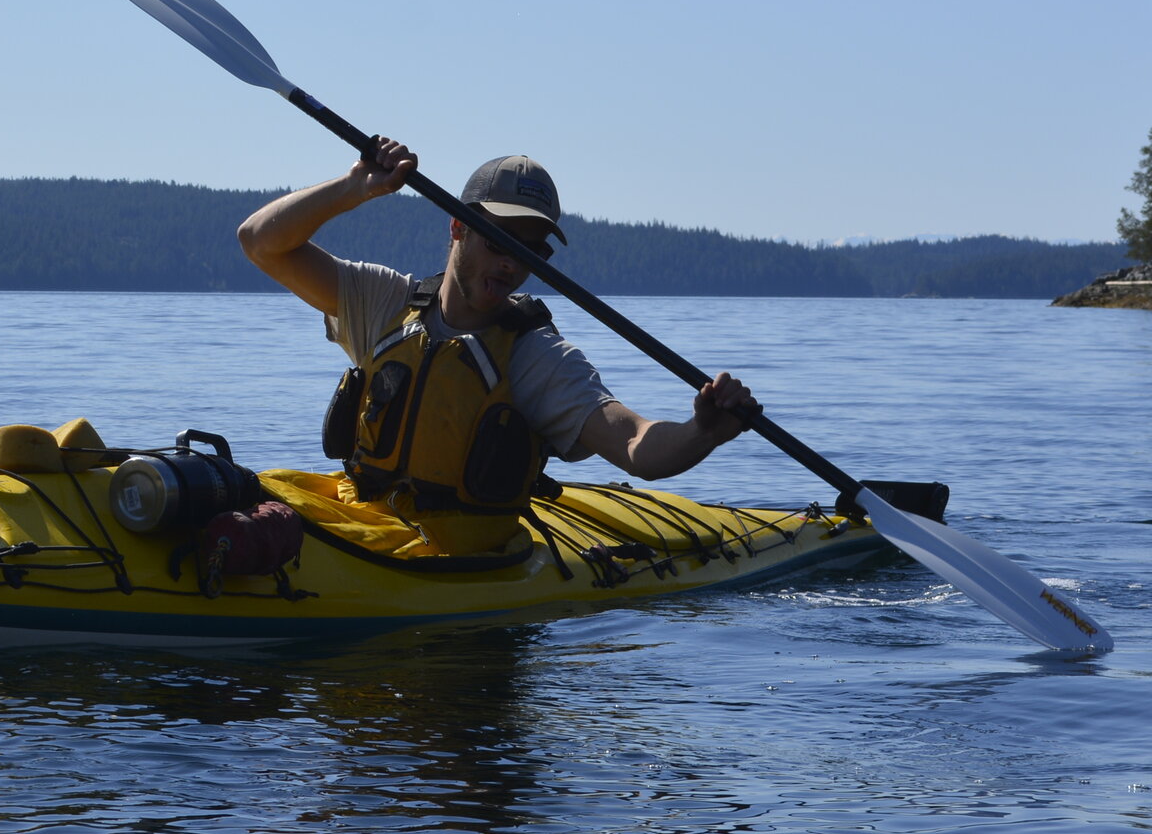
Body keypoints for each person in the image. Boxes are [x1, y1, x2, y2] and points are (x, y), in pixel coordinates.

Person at [237, 137, 762, 556]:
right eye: (502, 241)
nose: (513, 264)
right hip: (364, 525)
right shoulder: (382, 301)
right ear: (459, 225)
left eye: (530, 251)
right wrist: (355, 187)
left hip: (451, 560)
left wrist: (702, 432)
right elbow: (259, 241)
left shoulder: (538, 359)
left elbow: (637, 447)